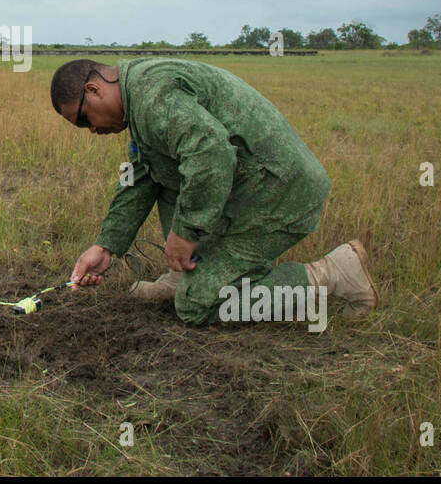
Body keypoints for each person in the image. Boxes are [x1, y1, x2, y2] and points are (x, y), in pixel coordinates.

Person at [52, 58, 378, 326]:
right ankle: (186, 274)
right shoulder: (138, 99)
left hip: (278, 193)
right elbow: (141, 176)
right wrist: (106, 246)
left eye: (83, 120)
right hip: (250, 186)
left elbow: (211, 155)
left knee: (198, 307)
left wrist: (186, 231)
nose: (92, 130)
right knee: (163, 172)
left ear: (93, 89)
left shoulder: (151, 96)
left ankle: (330, 275)